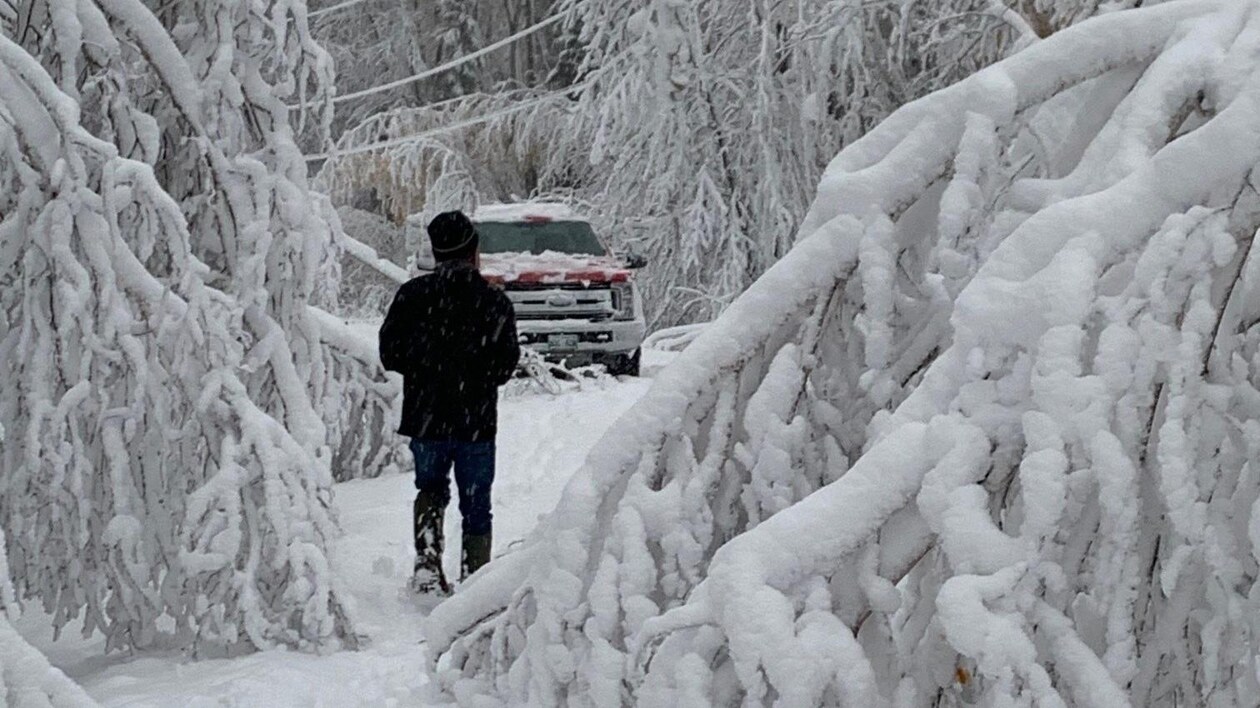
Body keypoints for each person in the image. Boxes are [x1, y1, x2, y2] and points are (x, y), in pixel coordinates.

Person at [379, 210, 520, 595]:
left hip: (426, 418)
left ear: (436, 252)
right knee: (477, 504)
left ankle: (427, 563)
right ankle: (475, 577)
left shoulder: (412, 296)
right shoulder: (493, 302)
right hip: (476, 421)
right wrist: (475, 373)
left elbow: (390, 354)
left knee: (430, 489)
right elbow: (506, 365)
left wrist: (427, 368)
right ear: (473, 250)